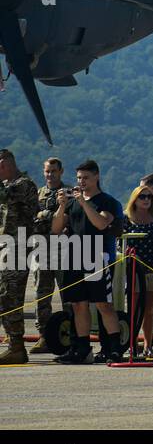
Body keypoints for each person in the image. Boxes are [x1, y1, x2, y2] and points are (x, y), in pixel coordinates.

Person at [51, 160, 124, 365]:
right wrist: (62, 206)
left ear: (96, 177)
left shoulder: (106, 201)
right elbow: (56, 228)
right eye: (79, 178)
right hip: (74, 257)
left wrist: (84, 202)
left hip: (97, 257)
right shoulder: (73, 202)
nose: (82, 182)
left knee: (103, 304)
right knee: (78, 305)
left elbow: (101, 223)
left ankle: (114, 348)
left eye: (86, 178)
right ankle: (82, 349)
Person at [0, 149, 39, 364]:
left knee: (10, 296)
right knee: (5, 295)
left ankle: (16, 346)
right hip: (6, 247)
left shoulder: (23, 184)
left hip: (18, 248)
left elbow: (4, 196)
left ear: (4, 165)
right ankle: (13, 342)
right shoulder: (8, 185)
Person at [123, 185, 153, 359]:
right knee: (134, 308)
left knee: (149, 309)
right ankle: (132, 345)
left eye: (149, 196)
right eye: (142, 197)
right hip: (133, 268)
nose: (146, 200)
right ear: (135, 199)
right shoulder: (126, 219)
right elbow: (121, 242)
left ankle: (149, 345)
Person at [29, 156, 66, 354]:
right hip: (42, 249)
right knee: (41, 294)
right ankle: (44, 335)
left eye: (53, 171)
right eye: (47, 171)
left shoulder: (68, 193)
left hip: (64, 251)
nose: (50, 175)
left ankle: (71, 332)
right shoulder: (37, 194)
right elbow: (32, 217)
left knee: (68, 294)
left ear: (61, 172)